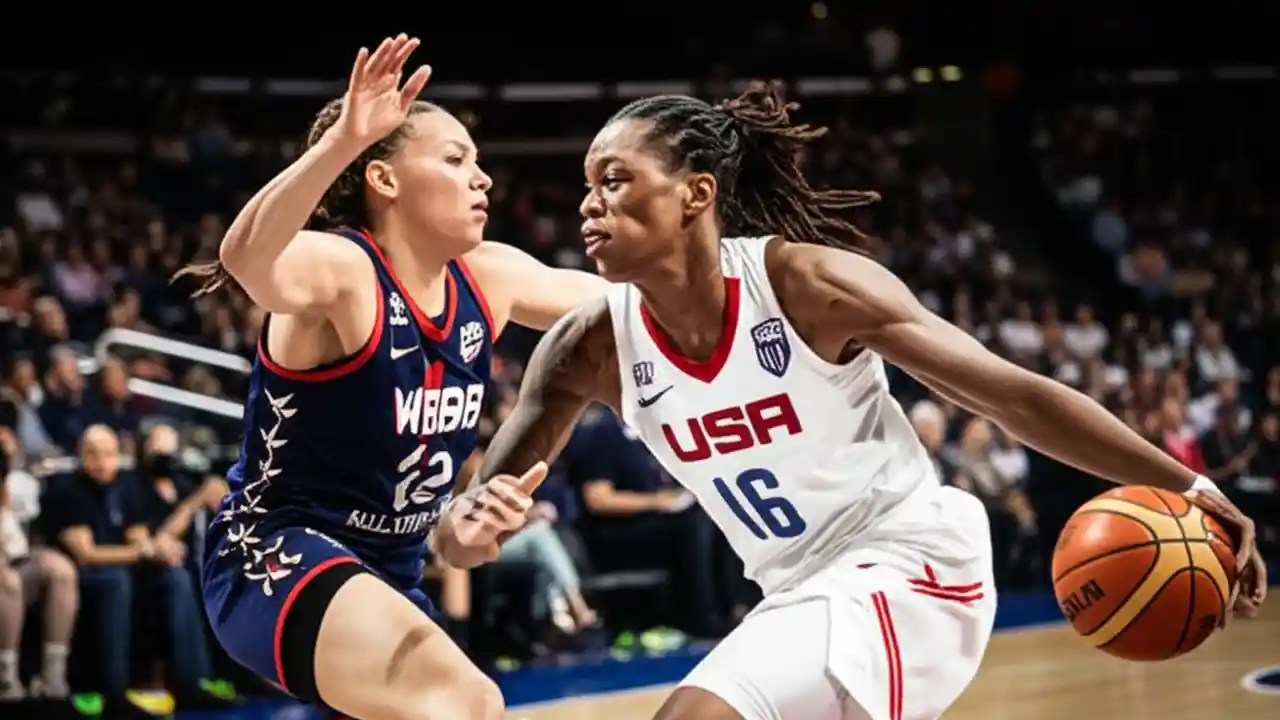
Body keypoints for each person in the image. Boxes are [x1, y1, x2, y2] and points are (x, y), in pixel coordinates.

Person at [434, 83, 1268, 720]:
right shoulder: (585, 348)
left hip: (910, 561)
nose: (589, 202)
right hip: (795, 593)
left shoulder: (807, 286)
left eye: (615, 180)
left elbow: (1012, 396)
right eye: (586, 185)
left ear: (696, 194)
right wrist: (466, 530)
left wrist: (1192, 485)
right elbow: (464, 534)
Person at [178, 35, 606, 720]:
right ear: (384, 179)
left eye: (478, 162)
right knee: (470, 701)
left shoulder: (488, 277)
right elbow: (249, 259)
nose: (482, 179)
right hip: (273, 558)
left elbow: (628, 306)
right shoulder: (346, 272)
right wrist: (343, 141)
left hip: (391, 575)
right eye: (455, 159)